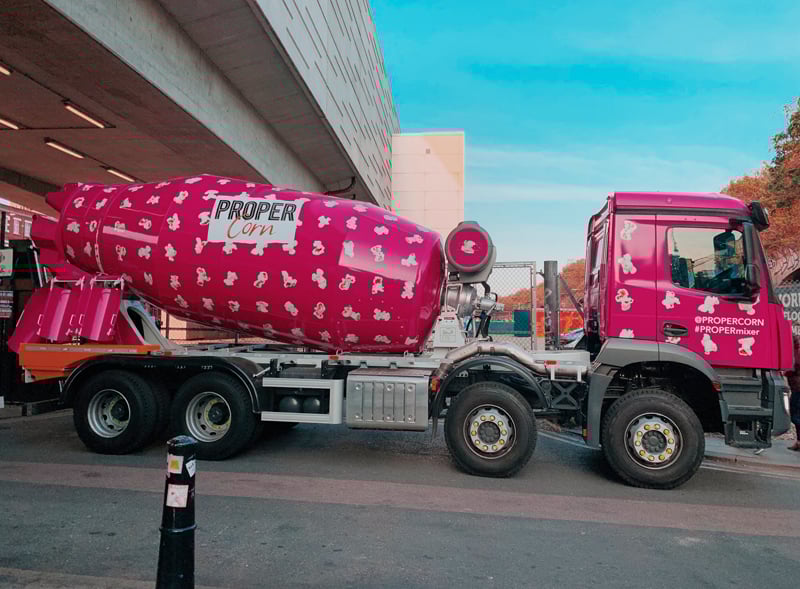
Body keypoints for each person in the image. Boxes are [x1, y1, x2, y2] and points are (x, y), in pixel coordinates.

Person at [786, 333, 800, 451]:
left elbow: (795, 365)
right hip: (796, 387)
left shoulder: (797, 350)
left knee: (796, 415)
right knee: (795, 415)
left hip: (798, 388)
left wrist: (787, 370)